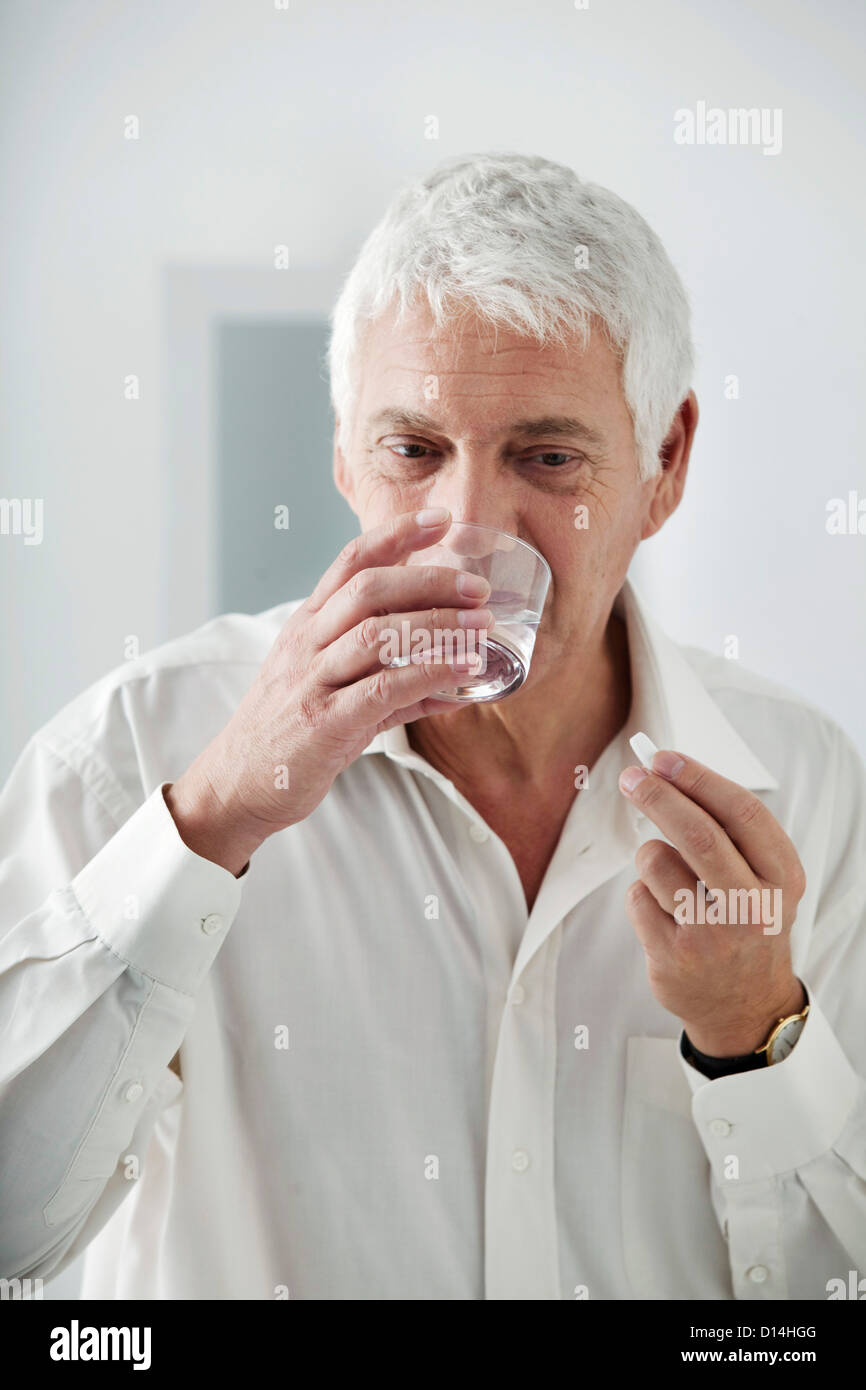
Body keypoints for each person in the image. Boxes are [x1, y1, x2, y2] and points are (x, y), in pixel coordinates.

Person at [1, 152, 864, 1301]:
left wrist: (755, 1035)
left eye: (546, 457)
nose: (465, 531)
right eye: (413, 451)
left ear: (663, 465)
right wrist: (206, 827)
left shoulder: (799, 781)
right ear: (345, 455)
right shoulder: (128, 752)